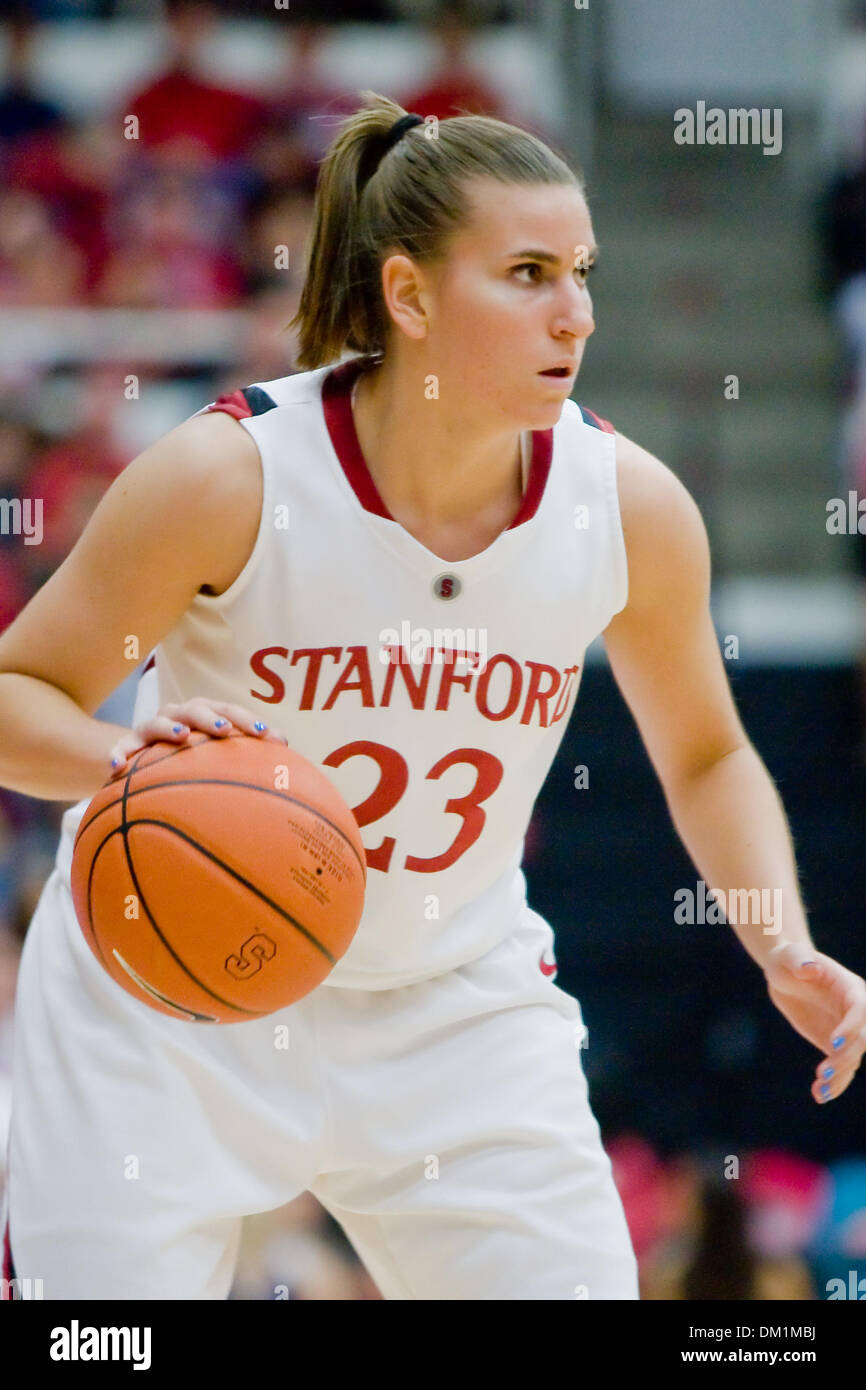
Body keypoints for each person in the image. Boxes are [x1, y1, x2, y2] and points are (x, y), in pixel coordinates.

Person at [1, 91, 864, 1302]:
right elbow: (17, 694)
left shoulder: (627, 507)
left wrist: (779, 941)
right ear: (406, 295)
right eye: (525, 273)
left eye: (581, 271)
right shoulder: (229, 477)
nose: (575, 313)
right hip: (166, 994)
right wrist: (118, 761)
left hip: (446, 1002)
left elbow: (708, 756)